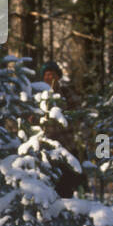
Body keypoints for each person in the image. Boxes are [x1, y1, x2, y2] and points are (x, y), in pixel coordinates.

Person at [39, 60, 87, 199]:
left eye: (52, 74)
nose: (49, 77)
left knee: (67, 182)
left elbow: (77, 114)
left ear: (58, 76)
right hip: (44, 147)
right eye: (46, 75)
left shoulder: (66, 93)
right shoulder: (39, 94)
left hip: (66, 144)